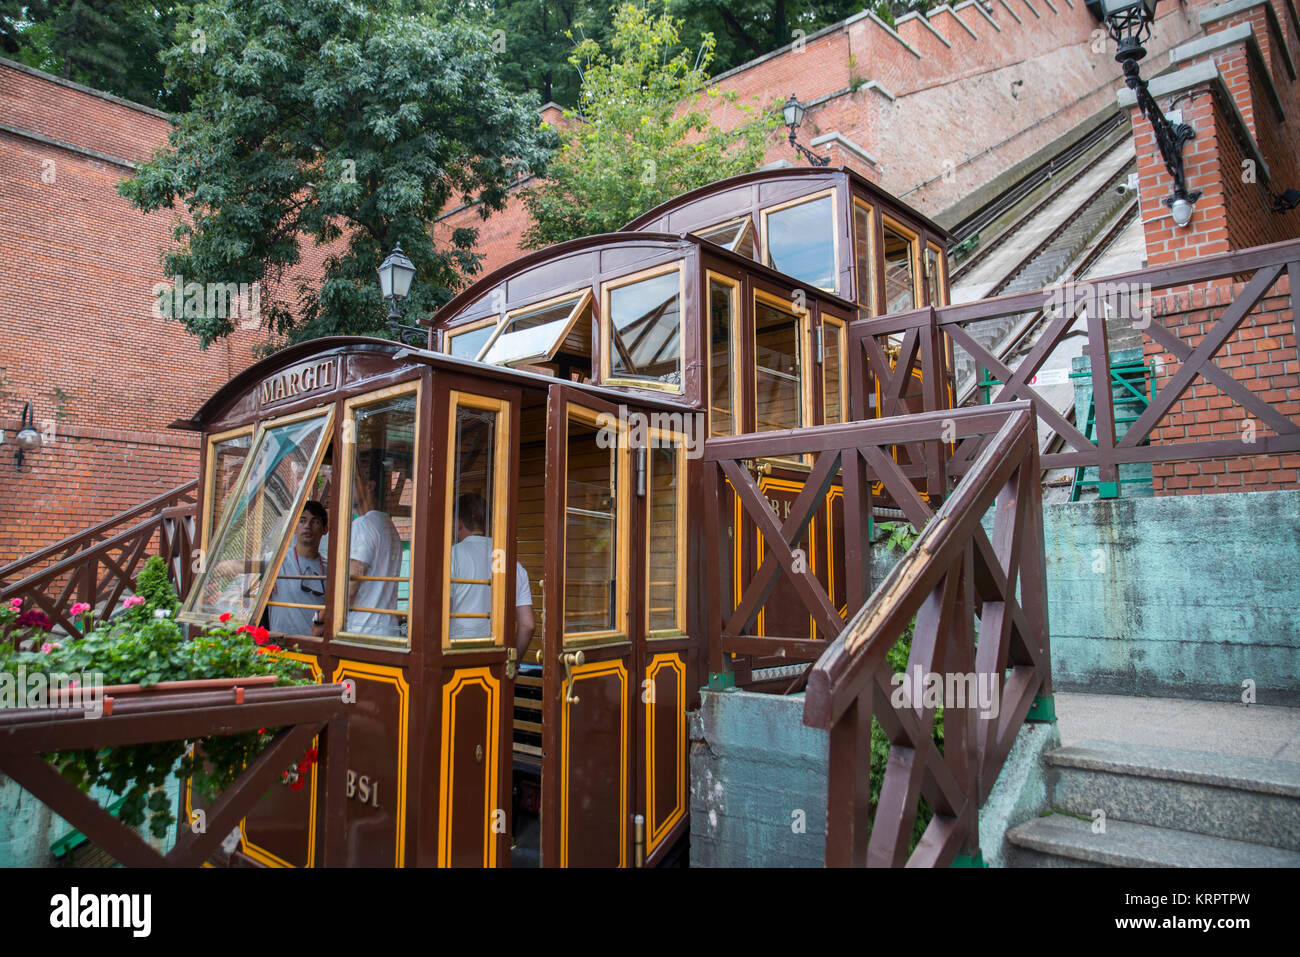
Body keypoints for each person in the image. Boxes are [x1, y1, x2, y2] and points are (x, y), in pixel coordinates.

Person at [449, 493, 535, 659]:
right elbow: (528, 625)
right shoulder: (512, 563)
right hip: (496, 659)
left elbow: (441, 613)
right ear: (486, 524)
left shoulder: (451, 557)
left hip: (456, 656)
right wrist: (514, 663)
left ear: (458, 523)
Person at [341, 449, 404, 636]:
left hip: (364, 630)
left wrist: (324, 614)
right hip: (386, 628)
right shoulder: (390, 528)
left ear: (369, 486)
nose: (347, 487)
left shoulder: (362, 525)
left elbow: (351, 585)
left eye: (352, 481)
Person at [267, 500, 327, 637]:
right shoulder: (277, 560)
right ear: (294, 527)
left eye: (315, 521)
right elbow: (242, 567)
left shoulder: (331, 569)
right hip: (281, 648)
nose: (307, 526)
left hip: (314, 648)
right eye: (302, 521)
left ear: (325, 529)